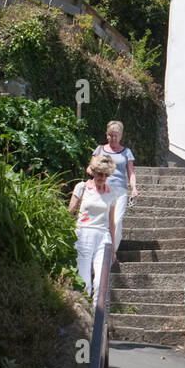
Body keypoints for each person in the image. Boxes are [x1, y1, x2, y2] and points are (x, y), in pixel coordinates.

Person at [69, 154, 118, 297]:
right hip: (83, 233)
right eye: (99, 174)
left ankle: (98, 315)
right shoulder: (82, 187)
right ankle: (85, 316)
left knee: (100, 282)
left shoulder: (111, 193)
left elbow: (111, 222)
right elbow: (70, 211)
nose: (102, 177)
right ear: (93, 172)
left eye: (105, 175)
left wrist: (113, 248)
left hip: (103, 237)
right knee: (85, 281)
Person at [89, 120, 137, 255]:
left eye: (116, 135)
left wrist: (133, 187)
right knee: (102, 220)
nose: (113, 138)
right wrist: (96, 173)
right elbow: (89, 167)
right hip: (102, 189)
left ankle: (111, 251)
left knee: (116, 221)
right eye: (111, 135)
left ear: (121, 136)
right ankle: (99, 249)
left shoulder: (126, 152)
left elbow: (131, 172)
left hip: (120, 191)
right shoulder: (99, 150)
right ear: (107, 135)